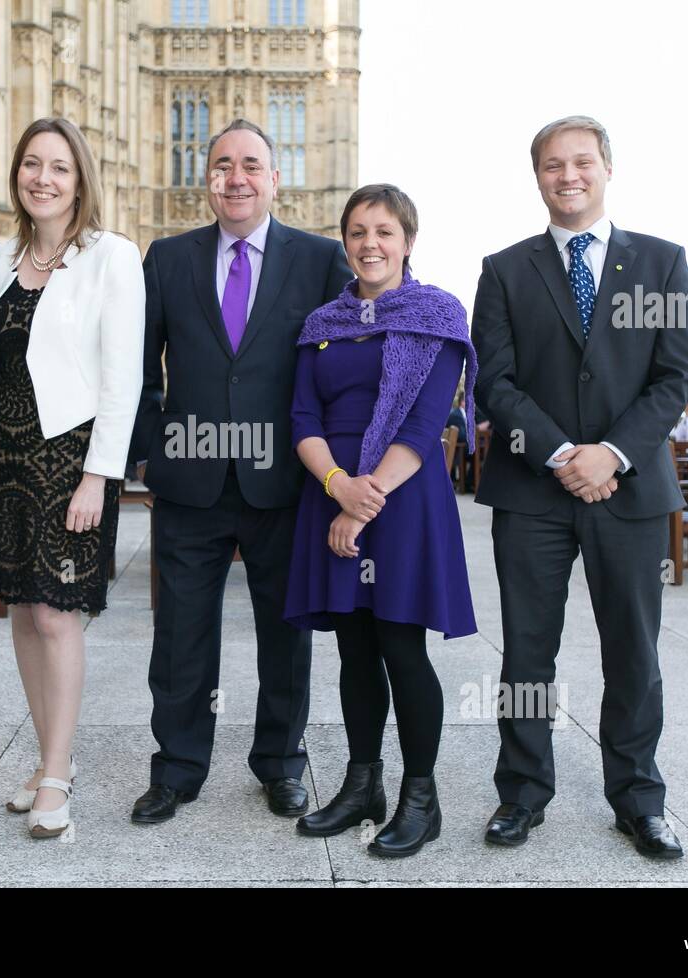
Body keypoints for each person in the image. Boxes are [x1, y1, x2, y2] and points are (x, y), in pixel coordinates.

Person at [472, 116, 688, 859]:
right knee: (527, 656)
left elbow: (673, 377)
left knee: (633, 651)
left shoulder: (663, 263)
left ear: (606, 168)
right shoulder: (504, 270)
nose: (567, 175)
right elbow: (495, 382)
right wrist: (566, 452)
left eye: (581, 162)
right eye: (551, 165)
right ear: (536, 176)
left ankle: (638, 798)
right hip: (532, 492)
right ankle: (522, 795)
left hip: (629, 492)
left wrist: (612, 454)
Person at [128, 119, 353, 824]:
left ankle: (281, 765)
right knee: (180, 637)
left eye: (251, 165)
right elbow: (139, 369)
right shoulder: (167, 258)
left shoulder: (320, 260)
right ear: (208, 178)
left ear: (274, 178)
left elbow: (345, 367)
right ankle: (177, 769)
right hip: (188, 483)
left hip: (283, 483)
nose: (236, 178)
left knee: (285, 636)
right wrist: (151, 448)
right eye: (223, 164)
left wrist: (338, 467)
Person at [0, 118, 145, 839]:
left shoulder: (111, 257)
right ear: (17, 175)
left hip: (68, 462)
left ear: (80, 179)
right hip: (1, 458)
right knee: (22, 612)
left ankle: (58, 776)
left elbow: (122, 377)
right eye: (32, 164)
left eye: (59, 167)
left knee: (57, 614)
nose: (43, 177)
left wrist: (100, 476)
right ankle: (44, 761)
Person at [284, 184, 476, 858]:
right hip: (332, 494)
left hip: (402, 501)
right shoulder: (321, 324)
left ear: (408, 242)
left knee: (400, 645)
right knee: (354, 648)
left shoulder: (437, 315)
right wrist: (338, 488)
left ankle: (421, 799)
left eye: (385, 232)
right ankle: (362, 783)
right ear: (346, 242)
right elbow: (302, 417)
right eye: (359, 232)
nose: (371, 244)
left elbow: (425, 425)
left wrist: (362, 503)